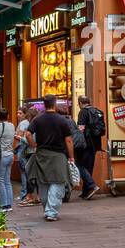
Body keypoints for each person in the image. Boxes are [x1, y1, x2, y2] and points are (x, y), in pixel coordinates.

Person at [26, 94, 74, 222]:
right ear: (55, 103)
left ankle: (47, 209)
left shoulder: (37, 119)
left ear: (44, 104)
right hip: (58, 155)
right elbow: (68, 140)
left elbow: (28, 134)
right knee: (57, 182)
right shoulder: (62, 120)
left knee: (43, 182)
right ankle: (51, 211)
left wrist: (34, 145)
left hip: (41, 154)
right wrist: (71, 156)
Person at [75, 95, 105, 200]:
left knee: (79, 164)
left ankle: (92, 186)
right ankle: (86, 191)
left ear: (80, 103)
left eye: (78, 104)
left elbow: (81, 129)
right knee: (89, 166)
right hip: (95, 144)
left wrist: (76, 141)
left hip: (85, 143)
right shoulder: (96, 111)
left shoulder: (83, 112)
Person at [14, 106, 38, 204]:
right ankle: (32, 195)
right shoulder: (32, 124)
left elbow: (28, 139)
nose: (18, 115)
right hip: (33, 151)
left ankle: (27, 195)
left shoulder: (26, 123)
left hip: (29, 151)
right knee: (31, 174)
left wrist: (18, 138)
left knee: (27, 173)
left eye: (20, 113)